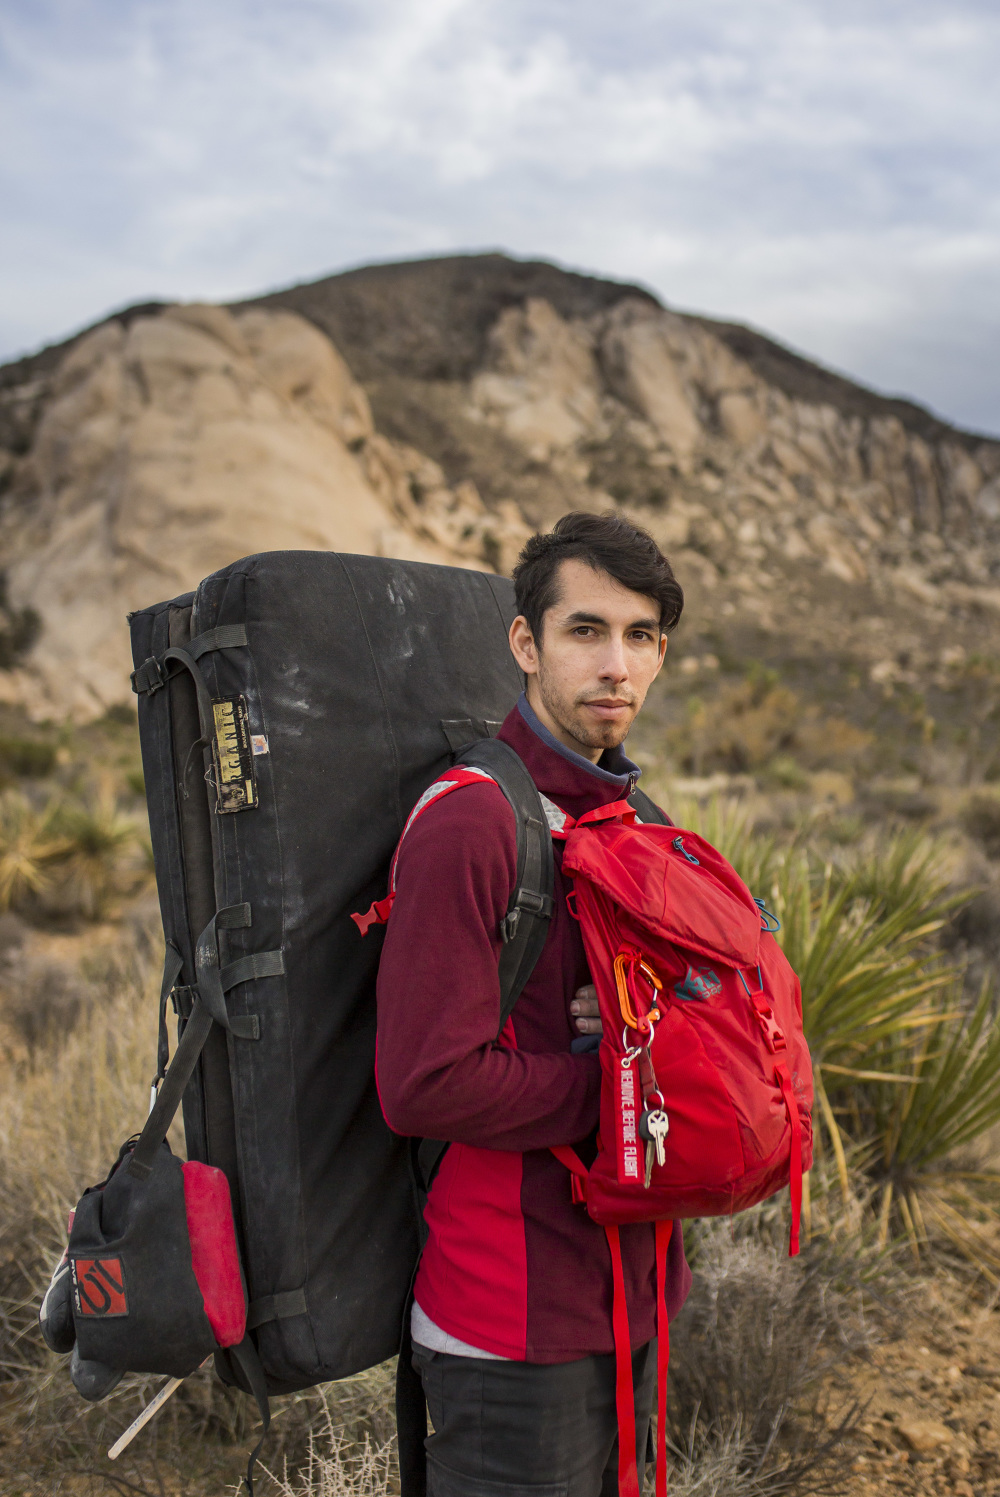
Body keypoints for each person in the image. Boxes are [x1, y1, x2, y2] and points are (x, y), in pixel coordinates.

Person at [375, 511, 692, 1497]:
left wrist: (667, 1047)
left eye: (640, 636)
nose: (617, 664)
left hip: (636, 1306)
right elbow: (423, 1085)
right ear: (527, 643)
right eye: (585, 630)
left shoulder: (640, 821)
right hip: (504, 1330)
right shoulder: (472, 821)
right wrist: (617, 1082)